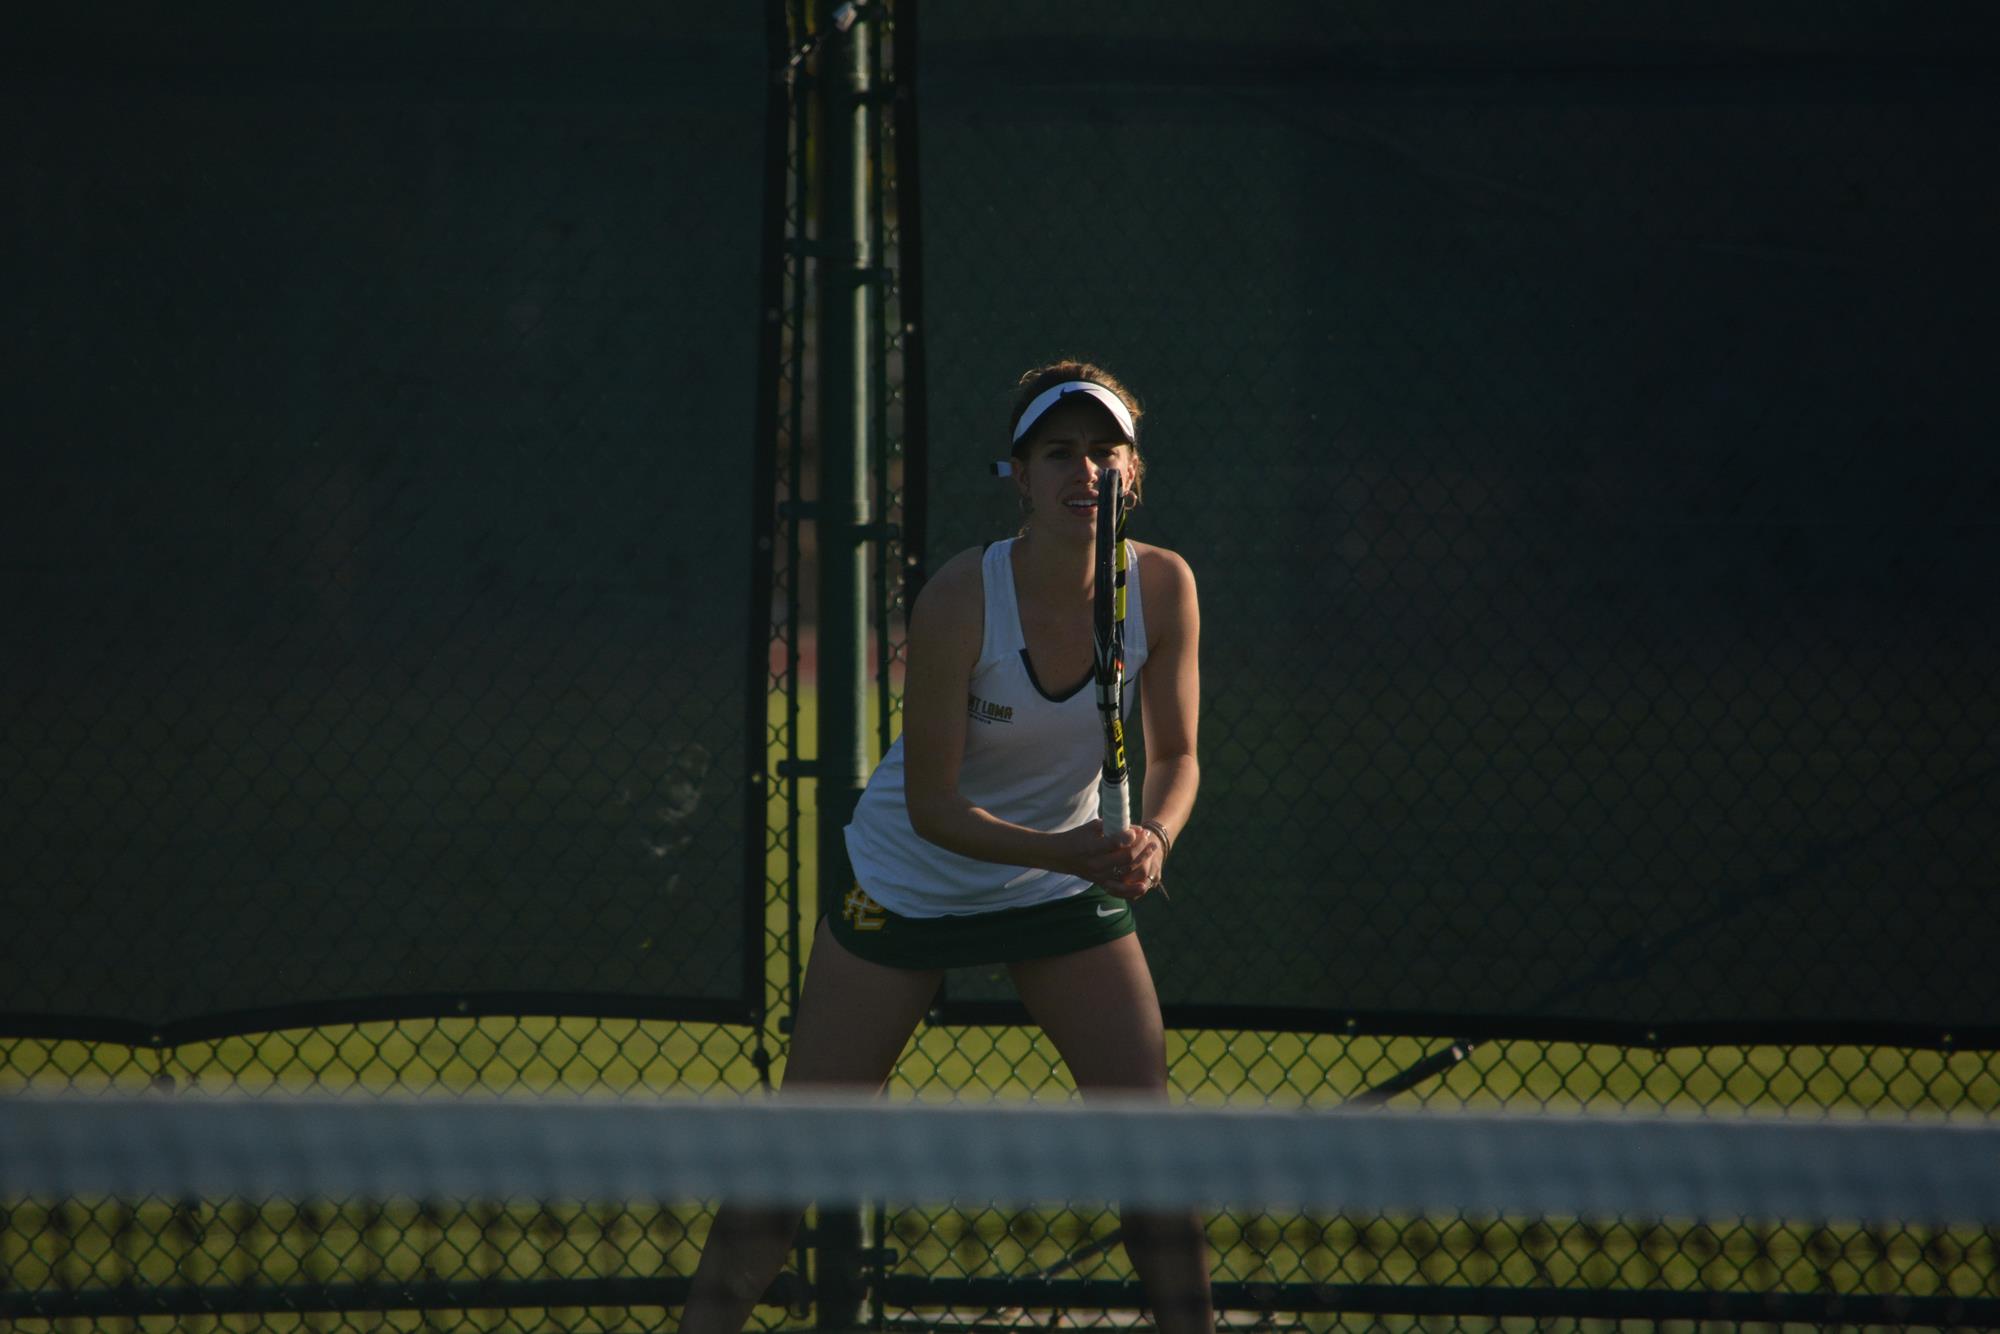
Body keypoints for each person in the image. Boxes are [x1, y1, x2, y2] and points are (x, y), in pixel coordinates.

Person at [681, 360, 1211, 1333]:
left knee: (1148, 1146)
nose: (1083, 473)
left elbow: (1177, 753)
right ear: (1015, 472)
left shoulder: (1163, 586)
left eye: (1104, 453)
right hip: (911, 880)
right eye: (1059, 453)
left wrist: (1153, 837)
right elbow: (932, 804)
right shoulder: (961, 595)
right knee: (794, 1153)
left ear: (1132, 472)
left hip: (1066, 873)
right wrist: (1081, 856)